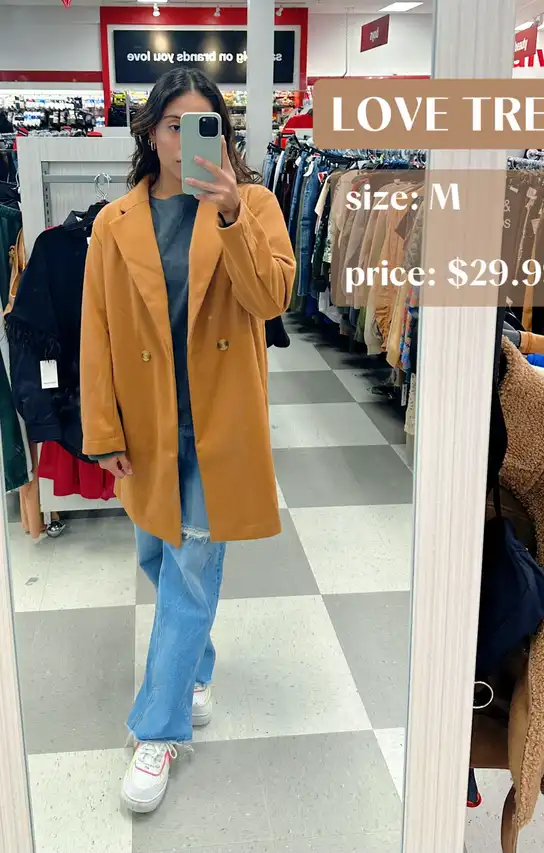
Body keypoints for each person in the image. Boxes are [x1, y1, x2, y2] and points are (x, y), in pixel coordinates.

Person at [80, 67, 295, 813]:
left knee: (190, 575)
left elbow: (271, 298)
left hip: (219, 424)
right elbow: (97, 331)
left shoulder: (255, 205)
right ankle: (196, 668)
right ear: (149, 132)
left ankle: (158, 727)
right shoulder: (114, 223)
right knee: (157, 558)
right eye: (175, 125)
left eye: (206, 126)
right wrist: (101, 429)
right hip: (147, 428)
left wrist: (232, 214)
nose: (188, 140)